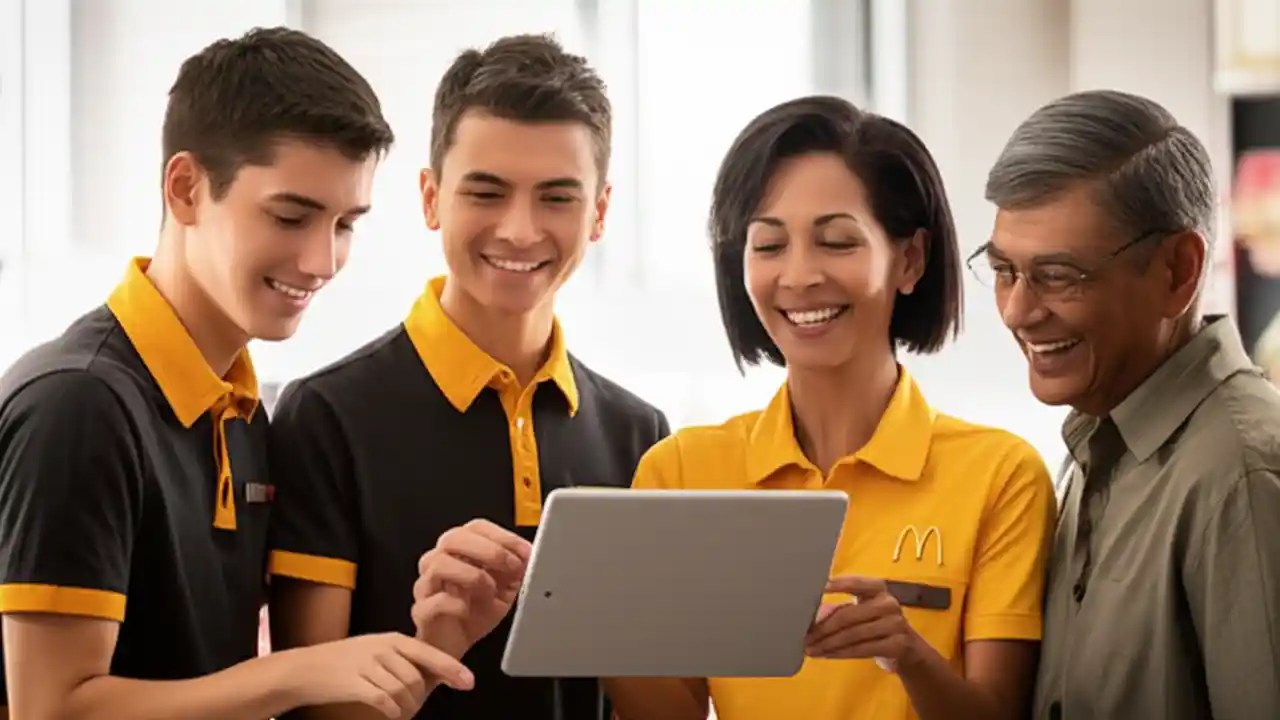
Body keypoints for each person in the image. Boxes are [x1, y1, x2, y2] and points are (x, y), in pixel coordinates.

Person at [0, 27, 479, 720]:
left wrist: (431, 641)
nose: (321, 260)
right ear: (187, 188)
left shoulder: (243, 412)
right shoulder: (78, 407)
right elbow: (52, 711)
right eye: (291, 216)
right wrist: (297, 673)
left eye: (346, 224)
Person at [604, 96, 1055, 720]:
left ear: (910, 259)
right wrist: (601, 623)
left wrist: (910, 656)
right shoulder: (679, 473)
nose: (799, 275)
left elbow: (1000, 712)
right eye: (768, 246)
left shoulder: (1001, 476)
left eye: (837, 242)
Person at [267, 33, 669, 720]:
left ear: (599, 213)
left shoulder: (641, 434)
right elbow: (314, 713)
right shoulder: (325, 417)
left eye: (556, 198)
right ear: (431, 198)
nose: (519, 229)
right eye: (486, 192)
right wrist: (432, 644)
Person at [974, 89, 1280, 719]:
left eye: (1058, 275)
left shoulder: (1239, 474)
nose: (1017, 311)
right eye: (1005, 270)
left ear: (1178, 271)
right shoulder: (1097, 440)